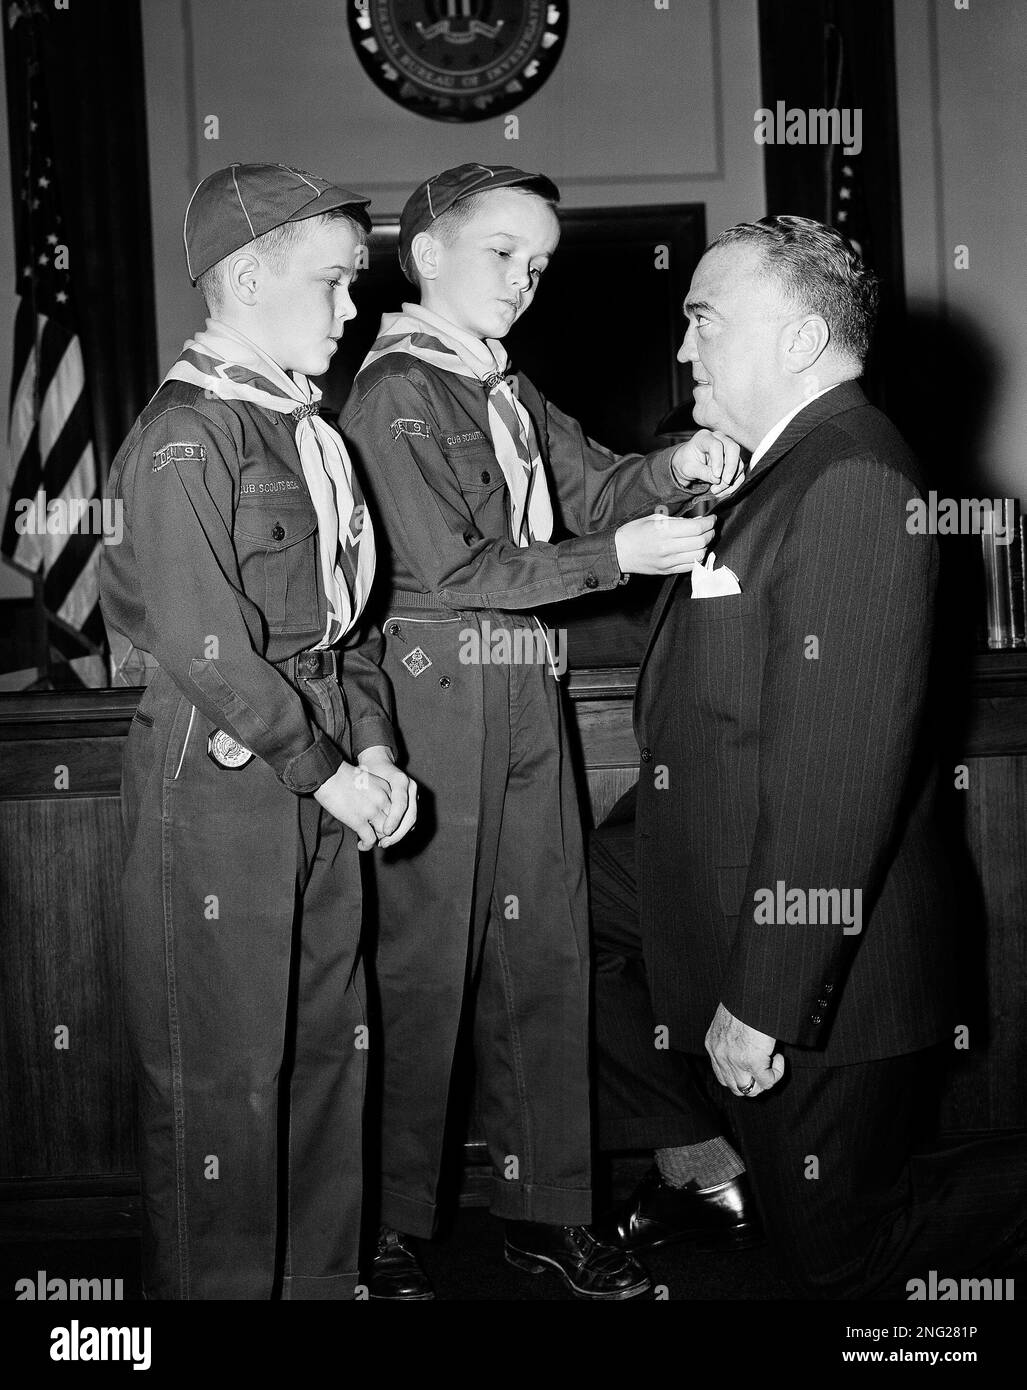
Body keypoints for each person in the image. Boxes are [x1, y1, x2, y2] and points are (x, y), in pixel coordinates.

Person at [592, 214, 1027, 1296]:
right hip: (729, 900)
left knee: (845, 1257)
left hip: (827, 966)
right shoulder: (784, 469)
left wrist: (765, 1000)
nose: (682, 348)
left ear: (794, 340)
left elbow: (838, 777)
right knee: (551, 913)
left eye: (702, 320)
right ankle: (697, 1159)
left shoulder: (852, 483)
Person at [341, 162, 748, 1301]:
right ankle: (390, 1225)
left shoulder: (501, 384)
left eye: (540, 264)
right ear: (426, 253)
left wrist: (676, 465)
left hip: (524, 682)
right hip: (433, 688)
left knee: (548, 958)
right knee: (421, 973)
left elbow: (598, 481)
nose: (524, 282)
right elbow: (459, 570)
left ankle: (547, 1209)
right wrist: (616, 557)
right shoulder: (395, 394)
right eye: (502, 255)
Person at [100, 162, 416, 1300]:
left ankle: (323, 1285)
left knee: (333, 1052)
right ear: (242, 277)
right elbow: (204, 643)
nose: (352, 310)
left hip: (320, 749)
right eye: (333, 283)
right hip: (224, 773)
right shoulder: (190, 433)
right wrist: (325, 768)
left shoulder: (301, 430)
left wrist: (373, 749)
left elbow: (348, 624)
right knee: (224, 1077)